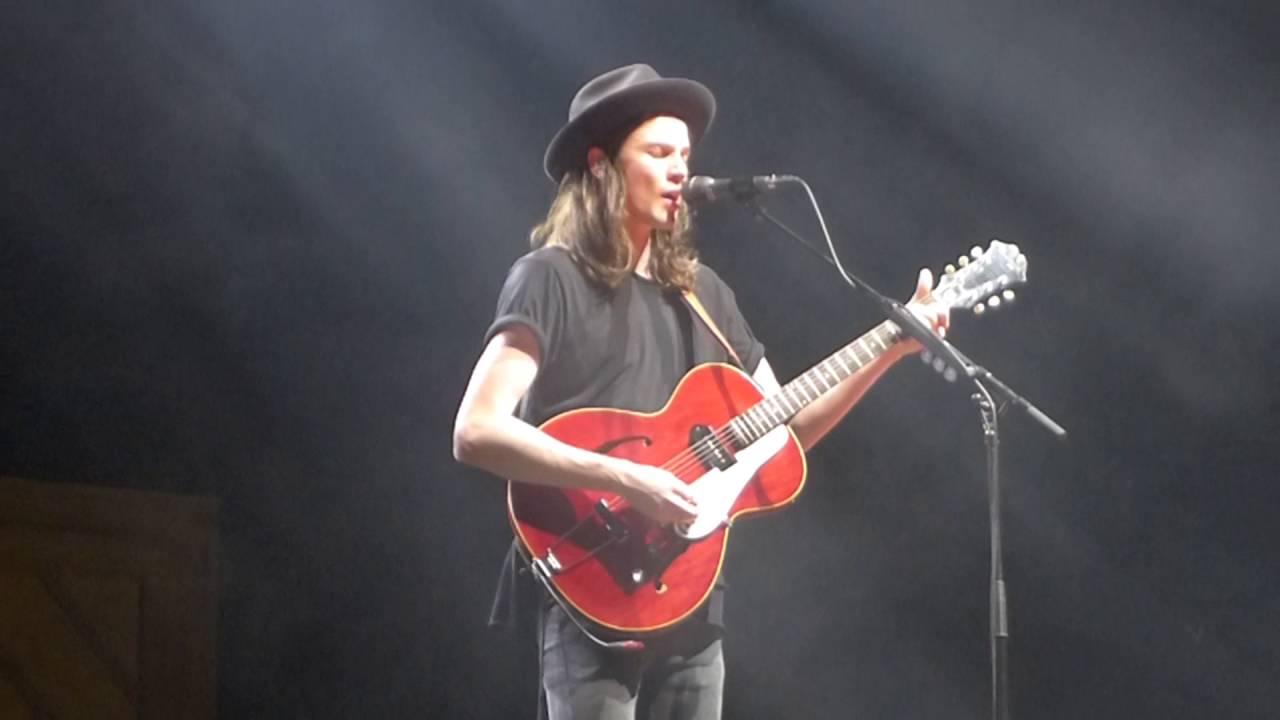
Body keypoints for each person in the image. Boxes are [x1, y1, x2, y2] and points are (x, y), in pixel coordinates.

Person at [453, 63, 950, 720]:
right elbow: (477, 430)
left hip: (689, 598)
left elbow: (786, 432)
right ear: (601, 166)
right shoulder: (548, 278)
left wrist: (891, 347)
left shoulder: (704, 295)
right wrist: (628, 480)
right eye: (659, 153)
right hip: (591, 587)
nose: (681, 170)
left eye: (685, 155)